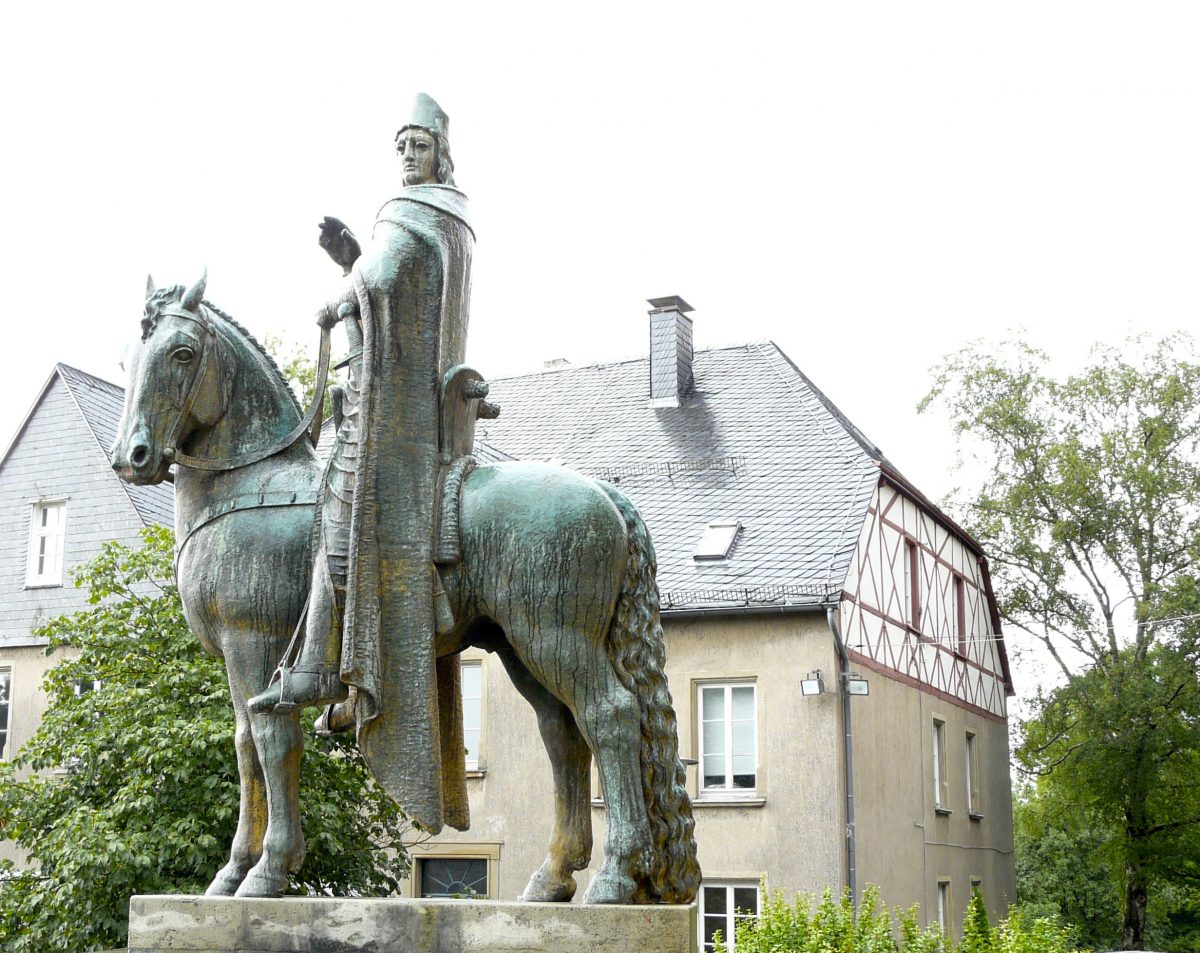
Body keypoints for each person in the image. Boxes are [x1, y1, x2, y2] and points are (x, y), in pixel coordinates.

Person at [248, 93, 474, 834]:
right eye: (401, 144)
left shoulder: (422, 212)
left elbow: (383, 283)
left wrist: (340, 287)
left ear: (441, 151)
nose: (409, 155)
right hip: (398, 400)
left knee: (339, 518)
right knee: (327, 509)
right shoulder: (425, 214)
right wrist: (356, 255)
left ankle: (326, 669)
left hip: (398, 418)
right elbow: (394, 278)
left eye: (420, 144)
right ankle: (335, 666)